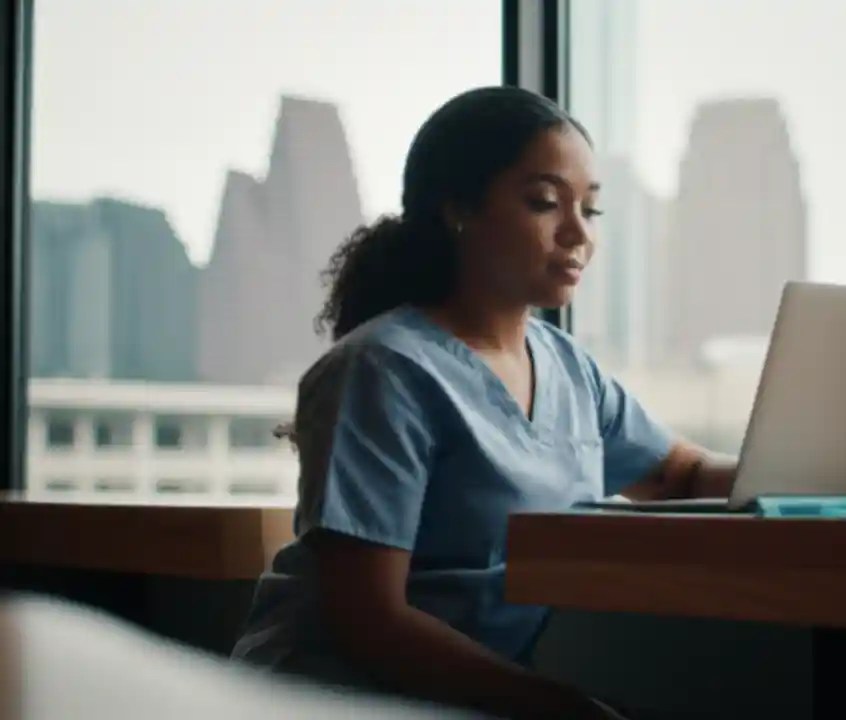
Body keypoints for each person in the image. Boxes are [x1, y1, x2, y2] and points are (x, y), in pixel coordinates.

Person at [230, 86, 737, 719]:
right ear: (458, 208)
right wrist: (563, 708)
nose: (578, 233)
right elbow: (370, 621)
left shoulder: (568, 369)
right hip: (329, 699)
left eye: (591, 210)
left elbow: (678, 474)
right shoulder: (385, 370)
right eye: (545, 203)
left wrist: (825, 470)